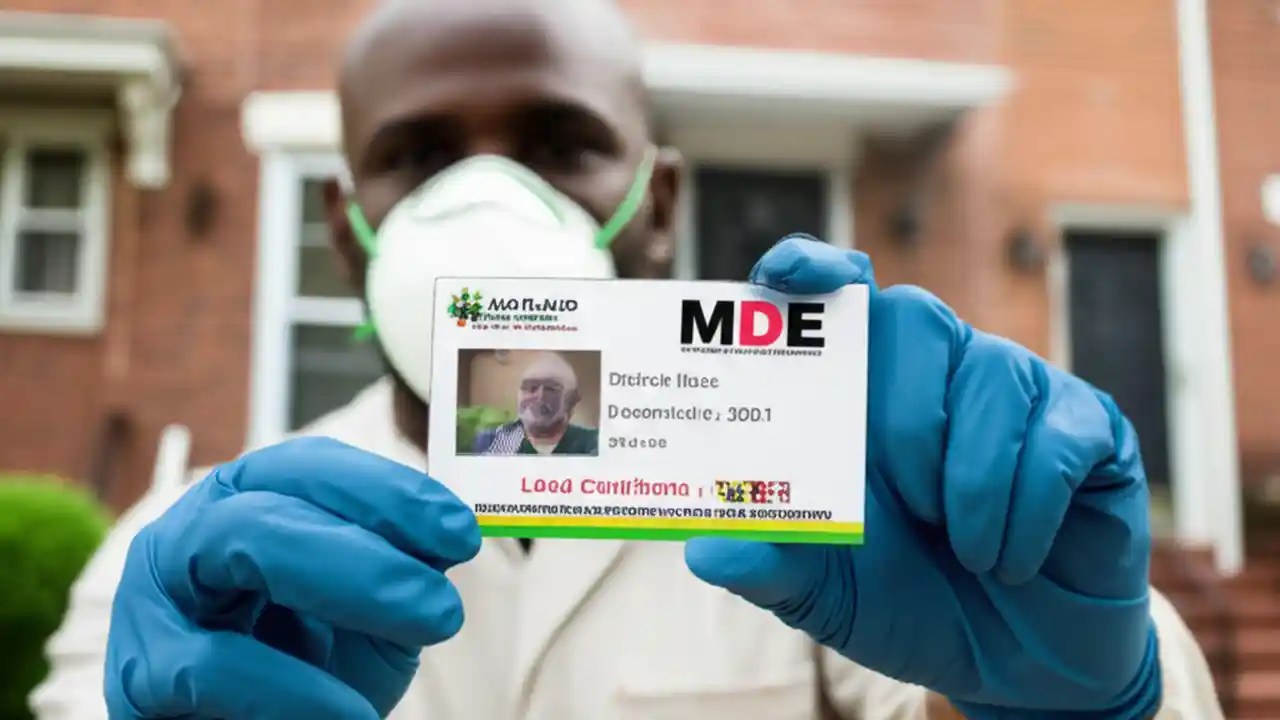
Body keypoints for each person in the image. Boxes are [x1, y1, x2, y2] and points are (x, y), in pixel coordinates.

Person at [30, 0, 1224, 718]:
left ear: (655, 206)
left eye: (560, 144)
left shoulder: (820, 501)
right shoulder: (193, 561)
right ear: (347, 228)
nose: (487, 198)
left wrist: (1087, 699)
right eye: (417, 157)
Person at [473, 352, 599, 456]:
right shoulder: (492, 441)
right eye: (530, 387)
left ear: (570, 401)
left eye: (551, 389)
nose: (539, 396)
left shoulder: (593, 443)